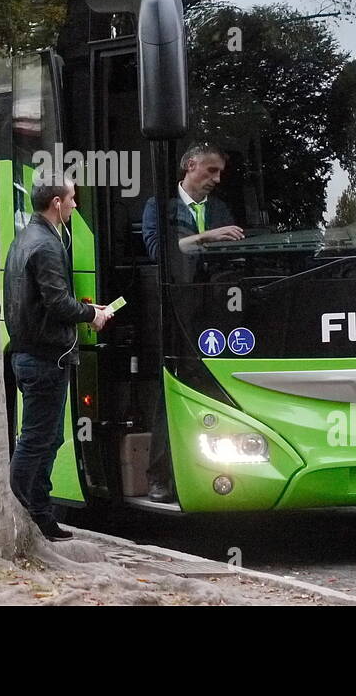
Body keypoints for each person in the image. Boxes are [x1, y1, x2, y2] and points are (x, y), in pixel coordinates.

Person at [4, 175, 112, 541]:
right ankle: (21, 515)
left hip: (30, 354)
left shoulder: (24, 238)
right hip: (45, 358)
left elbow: (43, 300)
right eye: (71, 199)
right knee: (38, 440)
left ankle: (39, 515)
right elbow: (56, 302)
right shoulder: (48, 245)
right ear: (55, 202)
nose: (75, 205)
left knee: (45, 439)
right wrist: (91, 315)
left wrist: (85, 308)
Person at [139, 143, 244, 502]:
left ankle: (217, 471)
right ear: (190, 166)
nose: (216, 179)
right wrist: (208, 237)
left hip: (212, 311)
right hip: (172, 309)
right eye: (210, 171)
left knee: (216, 389)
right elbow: (160, 252)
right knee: (168, 393)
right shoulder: (160, 207)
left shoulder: (219, 209)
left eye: (219, 173)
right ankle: (159, 477)